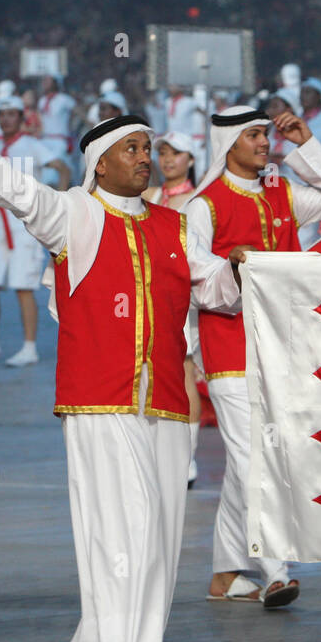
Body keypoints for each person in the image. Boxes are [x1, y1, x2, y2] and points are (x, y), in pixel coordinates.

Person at [0, 102, 245, 642]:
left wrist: (244, 268)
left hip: (170, 402)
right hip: (100, 399)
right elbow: (21, 193)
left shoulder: (174, 227)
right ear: (99, 165)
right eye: (132, 149)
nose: (145, 159)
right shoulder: (75, 213)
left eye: (149, 149)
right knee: (125, 519)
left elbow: (220, 292)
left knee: (161, 529)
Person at [187, 105, 321, 608]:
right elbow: (198, 278)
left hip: (281, 349)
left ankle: (224, 574)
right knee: (253, 457)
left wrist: (306, 145)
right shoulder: (205, 206)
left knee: (251, 461)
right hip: (229, 351)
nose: (264, 143)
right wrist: (230, 266)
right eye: (254, 135)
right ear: (228, 145)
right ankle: (277, 568)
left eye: (265, 134)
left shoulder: (283, 193)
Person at [0, 96, 71, 368]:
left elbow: (62, 168)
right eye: (2, 115)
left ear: (21, 117)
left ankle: (29, 347)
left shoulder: (32, 145)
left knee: (23, 287)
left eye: (11, 114)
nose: (6, 119)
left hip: (24, 224)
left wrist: (58, 200)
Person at [141, 131, 207, 485]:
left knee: (182, 374)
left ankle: (188, 457)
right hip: (146, 297)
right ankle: (158, 450)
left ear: (191, 161)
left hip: (181, 301)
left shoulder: (198, 202)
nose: (167, 160)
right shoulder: (147, 196)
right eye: (163, 153)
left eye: (177, 154)